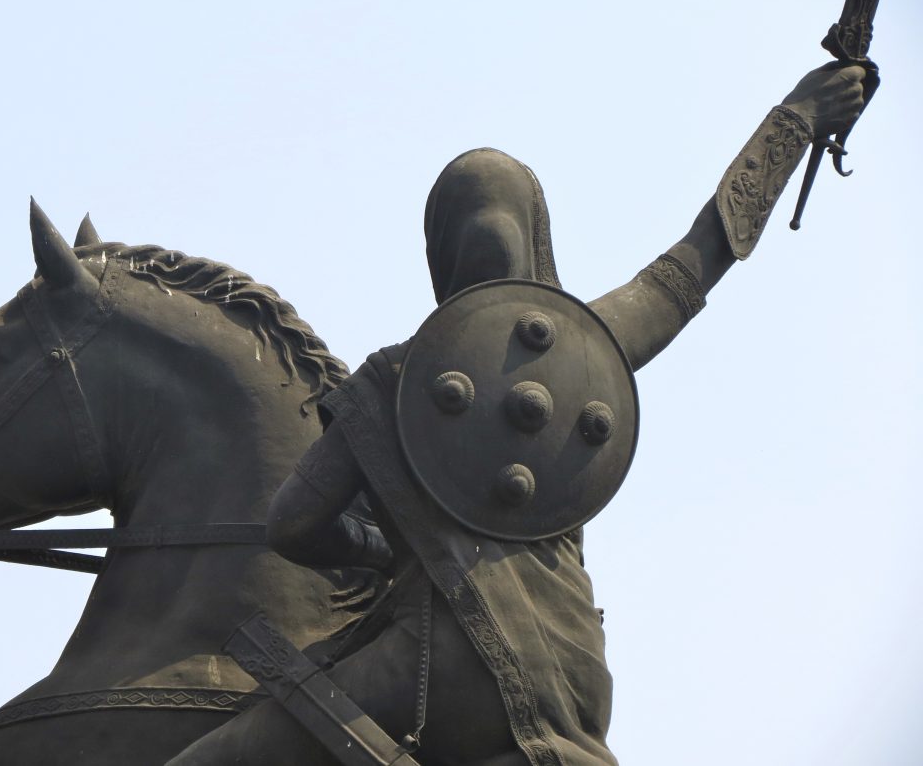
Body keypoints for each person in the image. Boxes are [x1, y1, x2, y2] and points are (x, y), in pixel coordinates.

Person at [167, 63, 867, 766]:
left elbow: (291, 524)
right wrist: (798, 117)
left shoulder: (392, 381)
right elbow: (704, 251)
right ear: (537, 241)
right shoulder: (590, 348)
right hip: (576, 677)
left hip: (436, 668)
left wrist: (379, 549)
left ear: (440, 253)